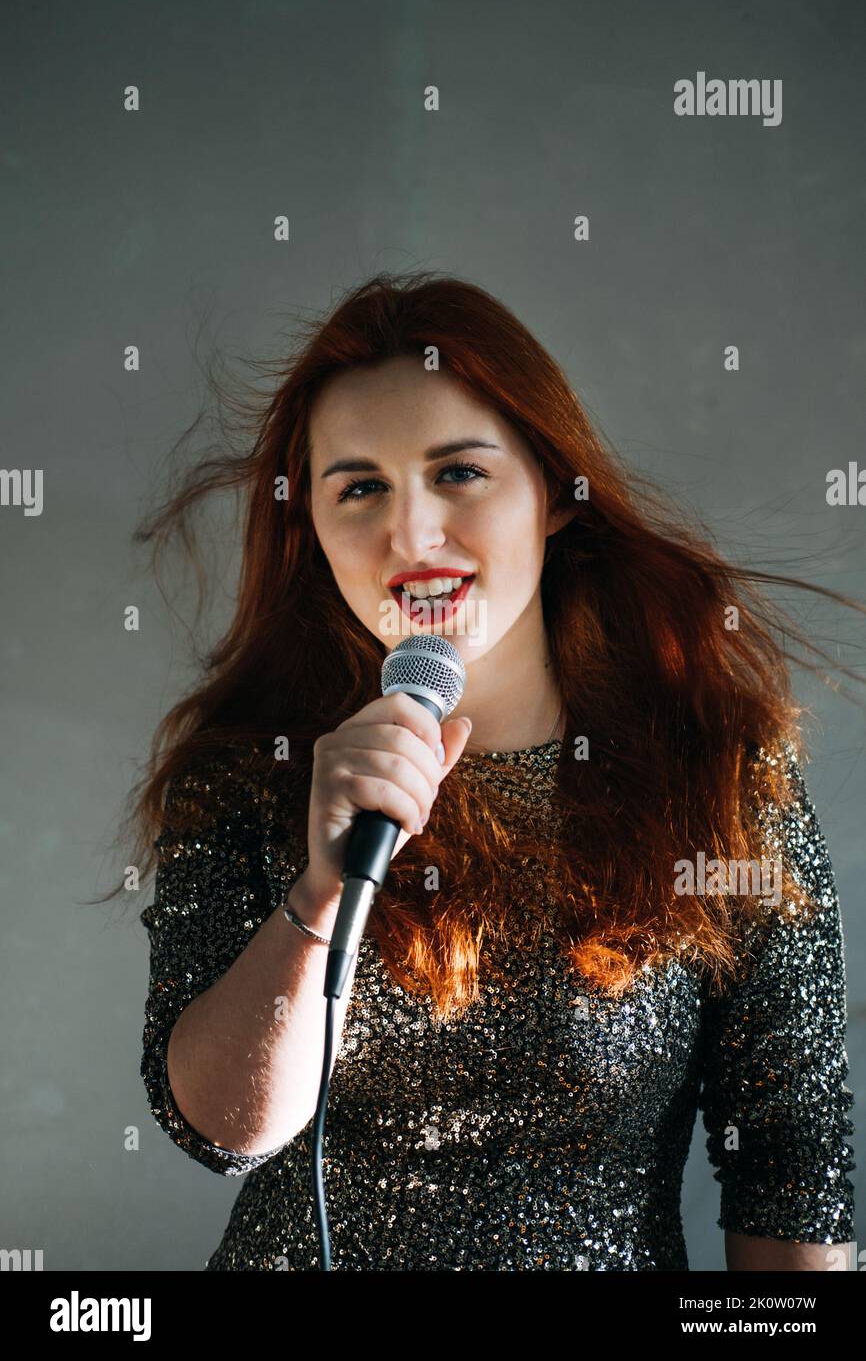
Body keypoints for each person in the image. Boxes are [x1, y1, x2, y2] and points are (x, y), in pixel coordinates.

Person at [114, 272, 858, 1271]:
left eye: (458, 473)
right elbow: (219, 1130)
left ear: (553, 492)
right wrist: (325, 890)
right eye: (361, 487)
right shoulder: (250, 771)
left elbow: (791, 1154)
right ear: (313, 526)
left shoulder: (712, 770)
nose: (411, 536)